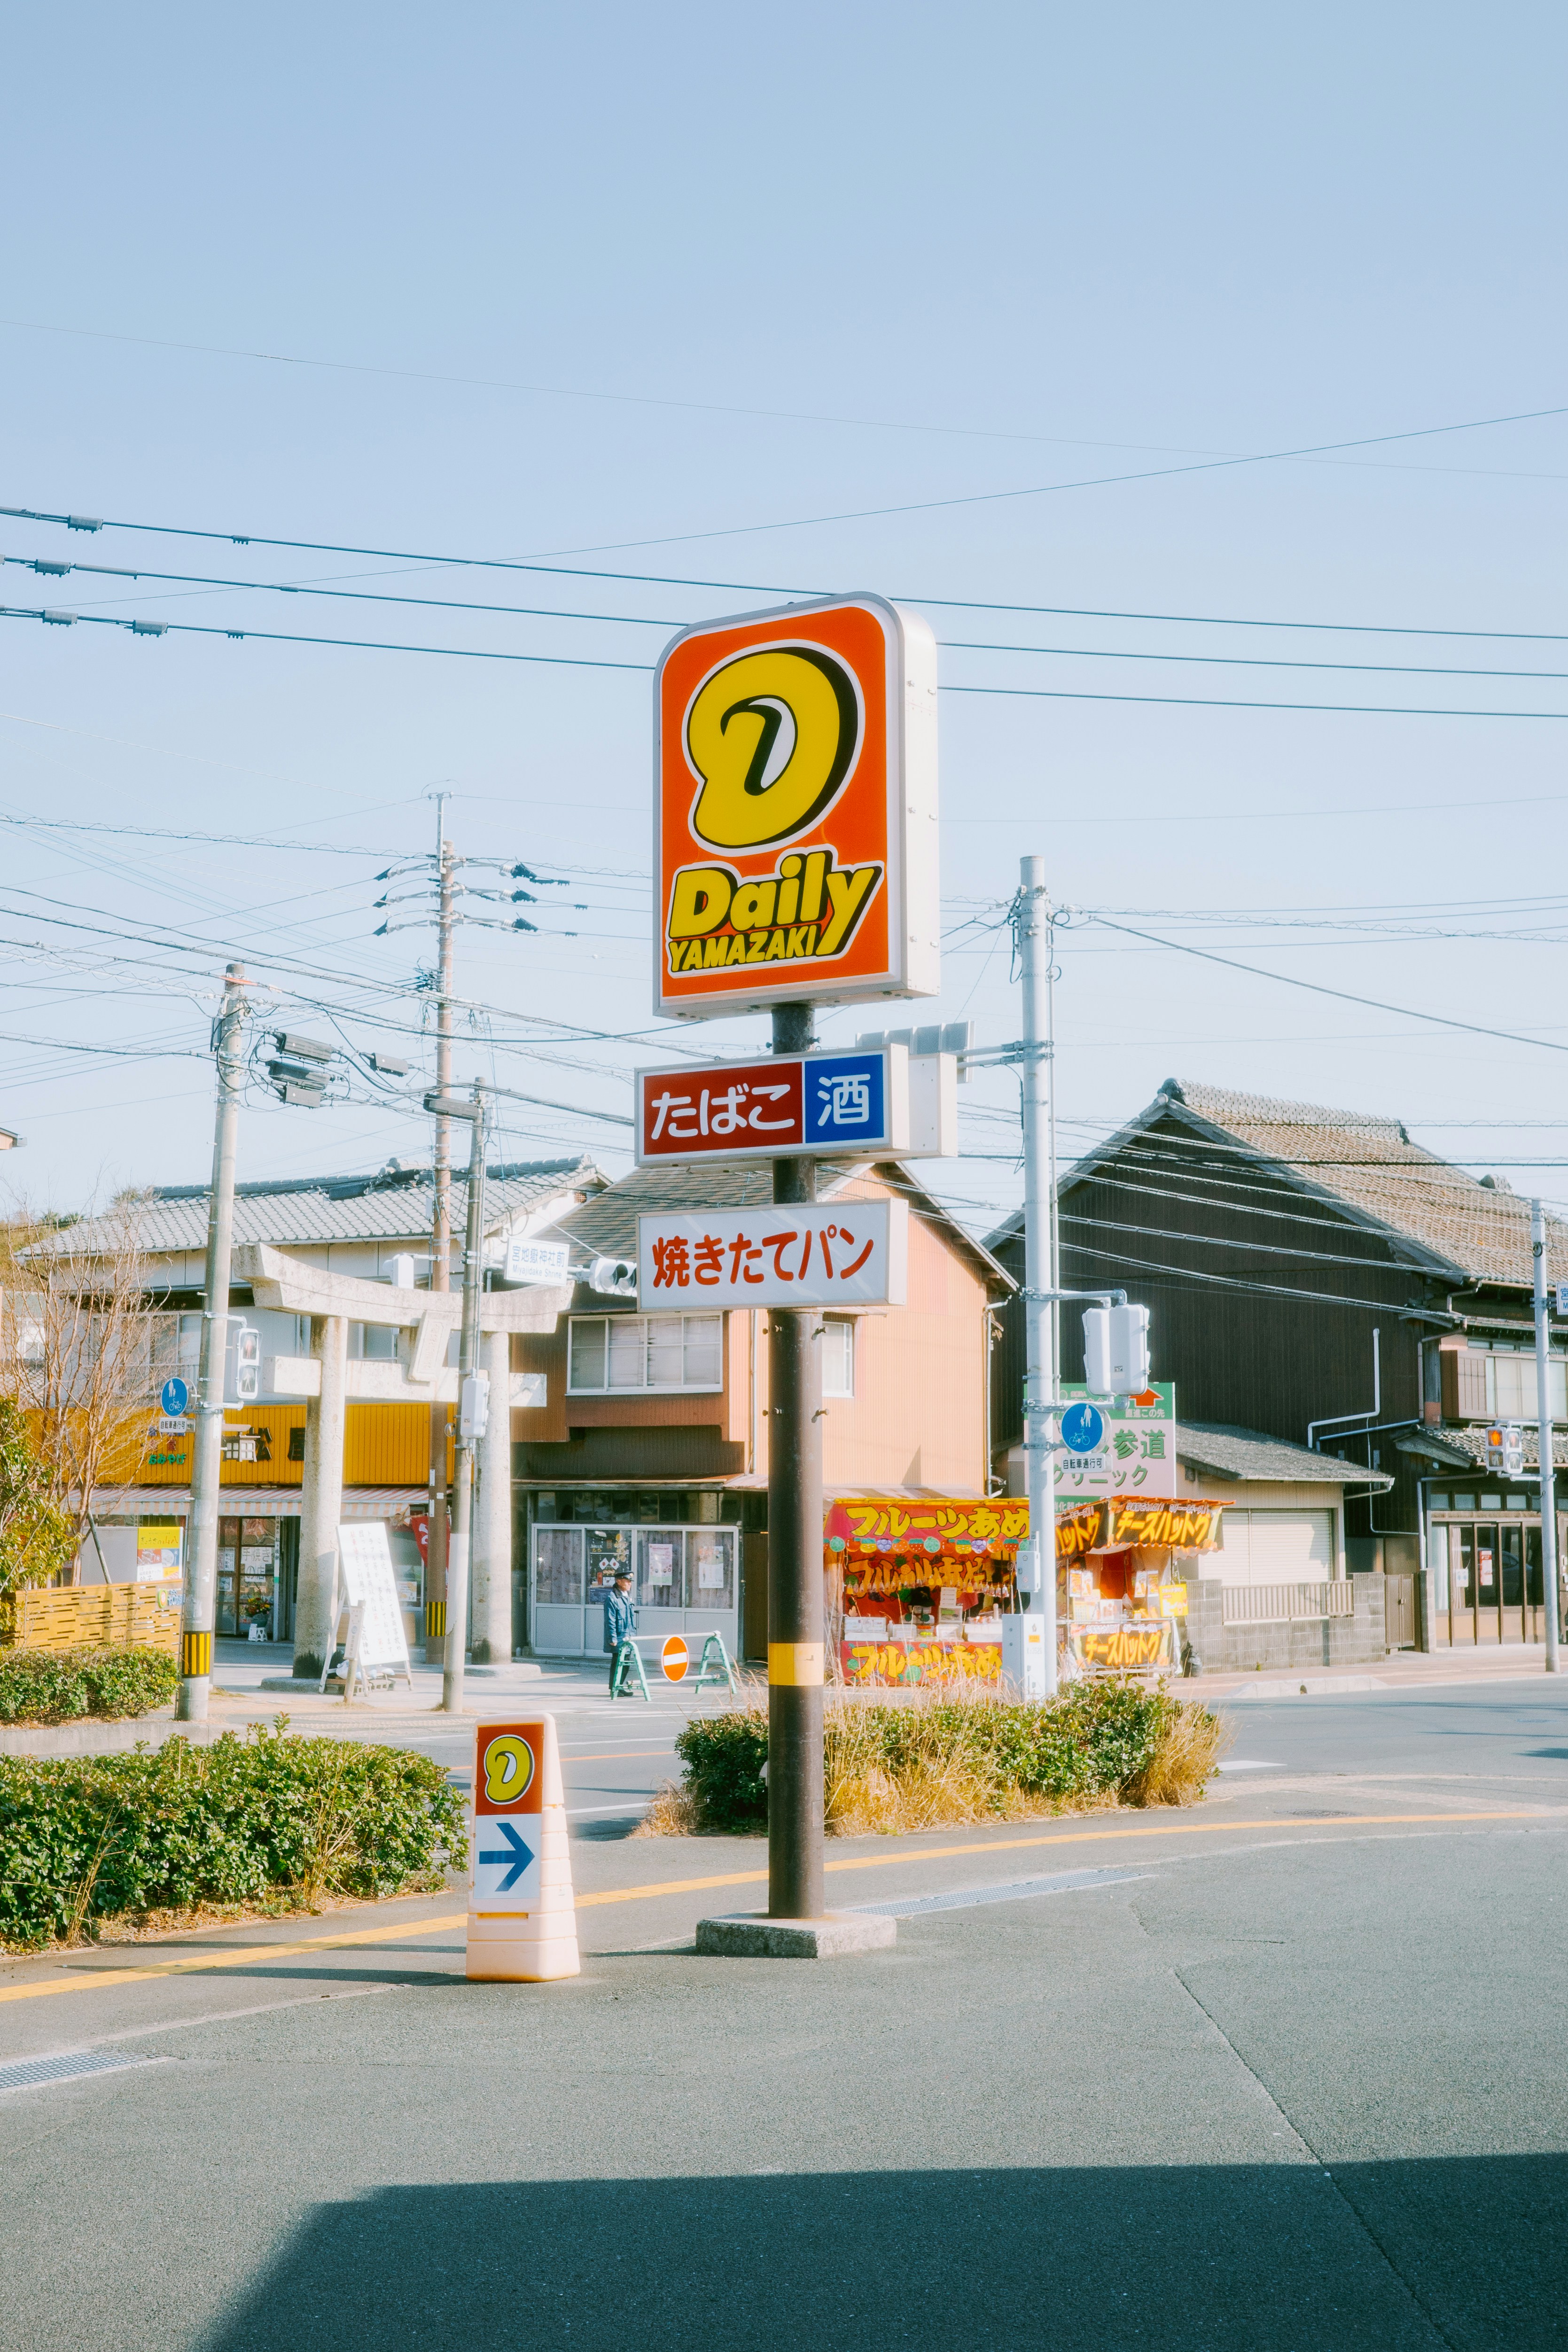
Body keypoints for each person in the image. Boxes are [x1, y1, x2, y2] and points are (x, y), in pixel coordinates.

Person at [602, 1570, 638, 1696]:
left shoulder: (627, 1597)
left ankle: (620, 1686)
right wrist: (612, 1638)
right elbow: (610, 1620)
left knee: (626, 1663)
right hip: (618, 1636)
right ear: (618, 1581)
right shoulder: (612, 1599)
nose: (630, 1584)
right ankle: (614, 1688)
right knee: (618, 1663)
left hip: (628, 1635)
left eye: (630, 1582)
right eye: (627, 1581)